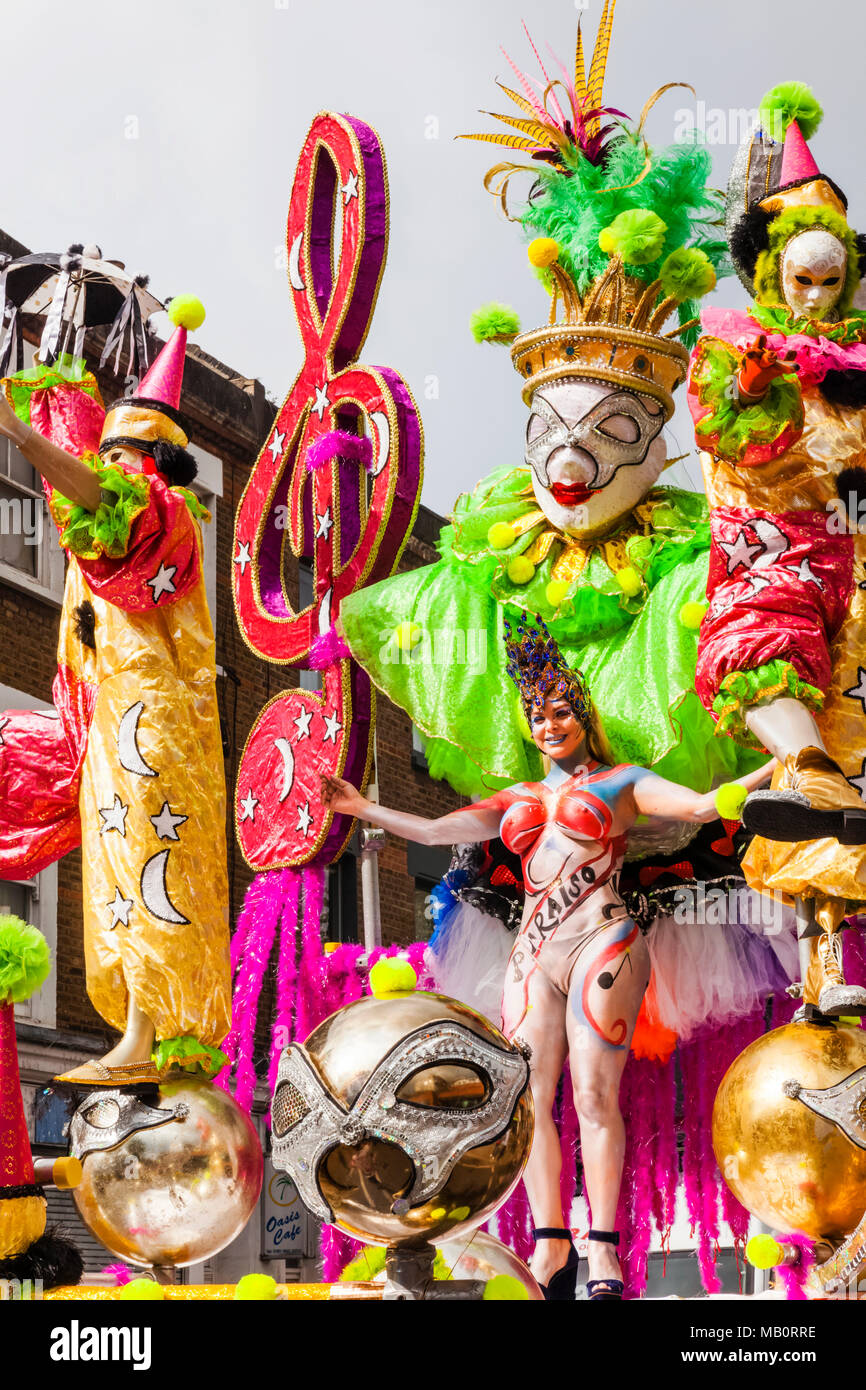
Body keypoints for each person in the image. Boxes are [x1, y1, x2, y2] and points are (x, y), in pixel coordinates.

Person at [323, 615, 773, 1300]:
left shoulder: (620, 784)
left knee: (594, 1096)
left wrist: (779, 762)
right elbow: (439, 829)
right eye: (536, 715)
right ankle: (549, 1238)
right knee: (528, 1100)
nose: (548, 723)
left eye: (560, 711)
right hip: (532, 955)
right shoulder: (520, 799)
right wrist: (363, 808)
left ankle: (605, 1252)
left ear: (582, 719)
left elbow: (703, 807)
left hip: (604, 942)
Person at [0, 298, 230, 1085]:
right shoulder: (101, 543)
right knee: (114, 875)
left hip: (154, 723)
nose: (113, 466)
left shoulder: (166, 516)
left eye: (126, 453)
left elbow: (101, 504)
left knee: (152, 864)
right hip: (108, 722)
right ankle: (133, 1027)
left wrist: (25, 437)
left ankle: (155, 1033)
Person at [689, 82, 866, 1014]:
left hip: (860, 585)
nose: (816, 299)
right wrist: (769, 379)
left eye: (831, 281)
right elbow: (734, 435)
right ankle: (825, 969)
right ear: (770, 276)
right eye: (800, 280)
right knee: (759, 657)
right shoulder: (732, 347)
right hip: (777, 556)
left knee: (847, 760)